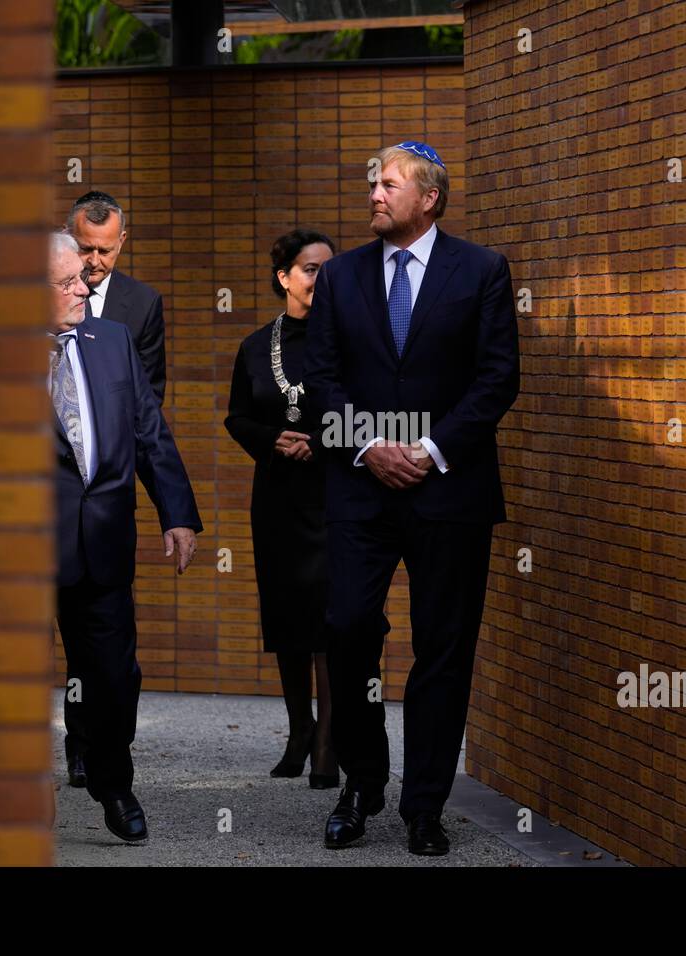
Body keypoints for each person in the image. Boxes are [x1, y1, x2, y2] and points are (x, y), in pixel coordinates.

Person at [303, 142, 520, 856]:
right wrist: (372, 448)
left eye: (387, 184)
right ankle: (363, 784)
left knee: (444, 649)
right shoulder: (337, 278)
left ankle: (424, 806)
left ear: (429, 197)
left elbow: (496, 380)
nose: (373, 194)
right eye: (372, 183)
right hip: (361, 490)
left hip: (449, 492)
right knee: (349, 627)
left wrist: (426, 451)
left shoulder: (482, 272)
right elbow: (323, 381)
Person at [47, 231, 201, 843]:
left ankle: (114, 784)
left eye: (81, 278)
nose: (83, 287)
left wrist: (178, 512)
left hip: (103, 542)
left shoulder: (110, 340)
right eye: (65, 283)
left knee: (113, 676)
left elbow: (148, 430)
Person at [224, 229, 338, 789]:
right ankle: (299, 727)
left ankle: (328, 740)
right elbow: (237, 417)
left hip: (334, 496)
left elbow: (371, 408)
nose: (321, 278)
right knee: (288, 616)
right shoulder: (253, 346)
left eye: (328, 269)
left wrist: (322, 439)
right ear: (284, 277)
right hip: (276, 500)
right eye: (311, 268)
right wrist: (274, 439)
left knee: (328, 622)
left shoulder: (347, 339)